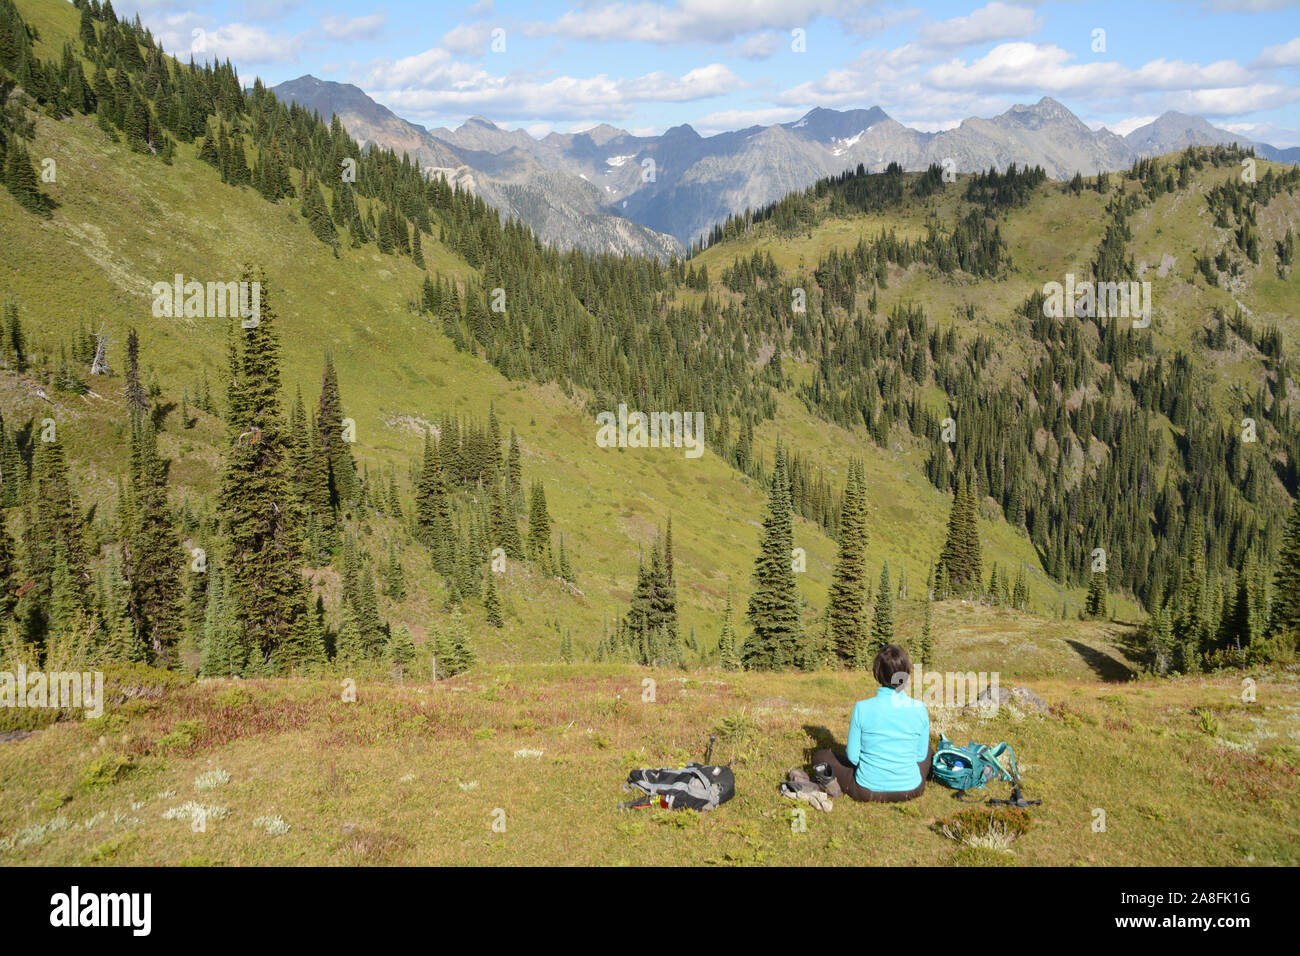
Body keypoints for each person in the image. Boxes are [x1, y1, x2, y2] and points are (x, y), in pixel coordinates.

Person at [811, 644, 932, 803]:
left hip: (867, 790)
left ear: (878, 673)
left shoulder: (861, 707)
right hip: (911, 789)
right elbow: (920, 755)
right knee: (928, 751)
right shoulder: (920, 708)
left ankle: (832, 784)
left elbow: (853, 758)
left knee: (822, 755)